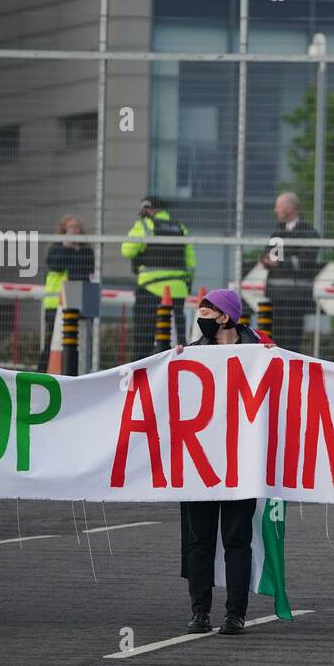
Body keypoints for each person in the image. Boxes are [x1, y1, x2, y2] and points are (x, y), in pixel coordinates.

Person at [172, 289, 271, 635]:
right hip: (199, 463)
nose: (201, 320)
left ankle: (235, 614)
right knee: (198, 541)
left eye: (205, 313)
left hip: (240, 465)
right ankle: (200, 610)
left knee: (236, 541)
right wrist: (173, 362)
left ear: (225, 317)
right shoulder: (192, 354)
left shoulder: (260, 352)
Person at [122, 197, 194, 361]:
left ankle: (143, 374)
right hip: (177, 289)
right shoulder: (180, 227)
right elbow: (190, 262)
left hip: (150, 288)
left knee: (144, 336)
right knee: (177, 336)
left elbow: (127, 250)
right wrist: (185, 283)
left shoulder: (145, 225)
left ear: (148, 209)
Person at [258, 191, 319, 352]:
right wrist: (265, 260)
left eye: (279, 206)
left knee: (293, 340)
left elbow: (305, 261)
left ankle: (292, 373)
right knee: (277, 339)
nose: (275, 210)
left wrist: (278, 264)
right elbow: (270, 253)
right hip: (277, 295)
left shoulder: (309, 233)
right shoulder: (277, 232)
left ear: (290, 208)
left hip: (296, 296)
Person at [40, 215, 95, 372]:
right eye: (71, 227)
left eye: (77, 226)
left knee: (79, 342)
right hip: (56, 304)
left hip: (79, 301)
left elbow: (88, 271)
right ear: (63, 231)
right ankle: (43, 371)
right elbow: (57, 265)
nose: (75, 230)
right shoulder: (56, 249)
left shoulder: (85, 251)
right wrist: (67, 247)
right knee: (52, 343)